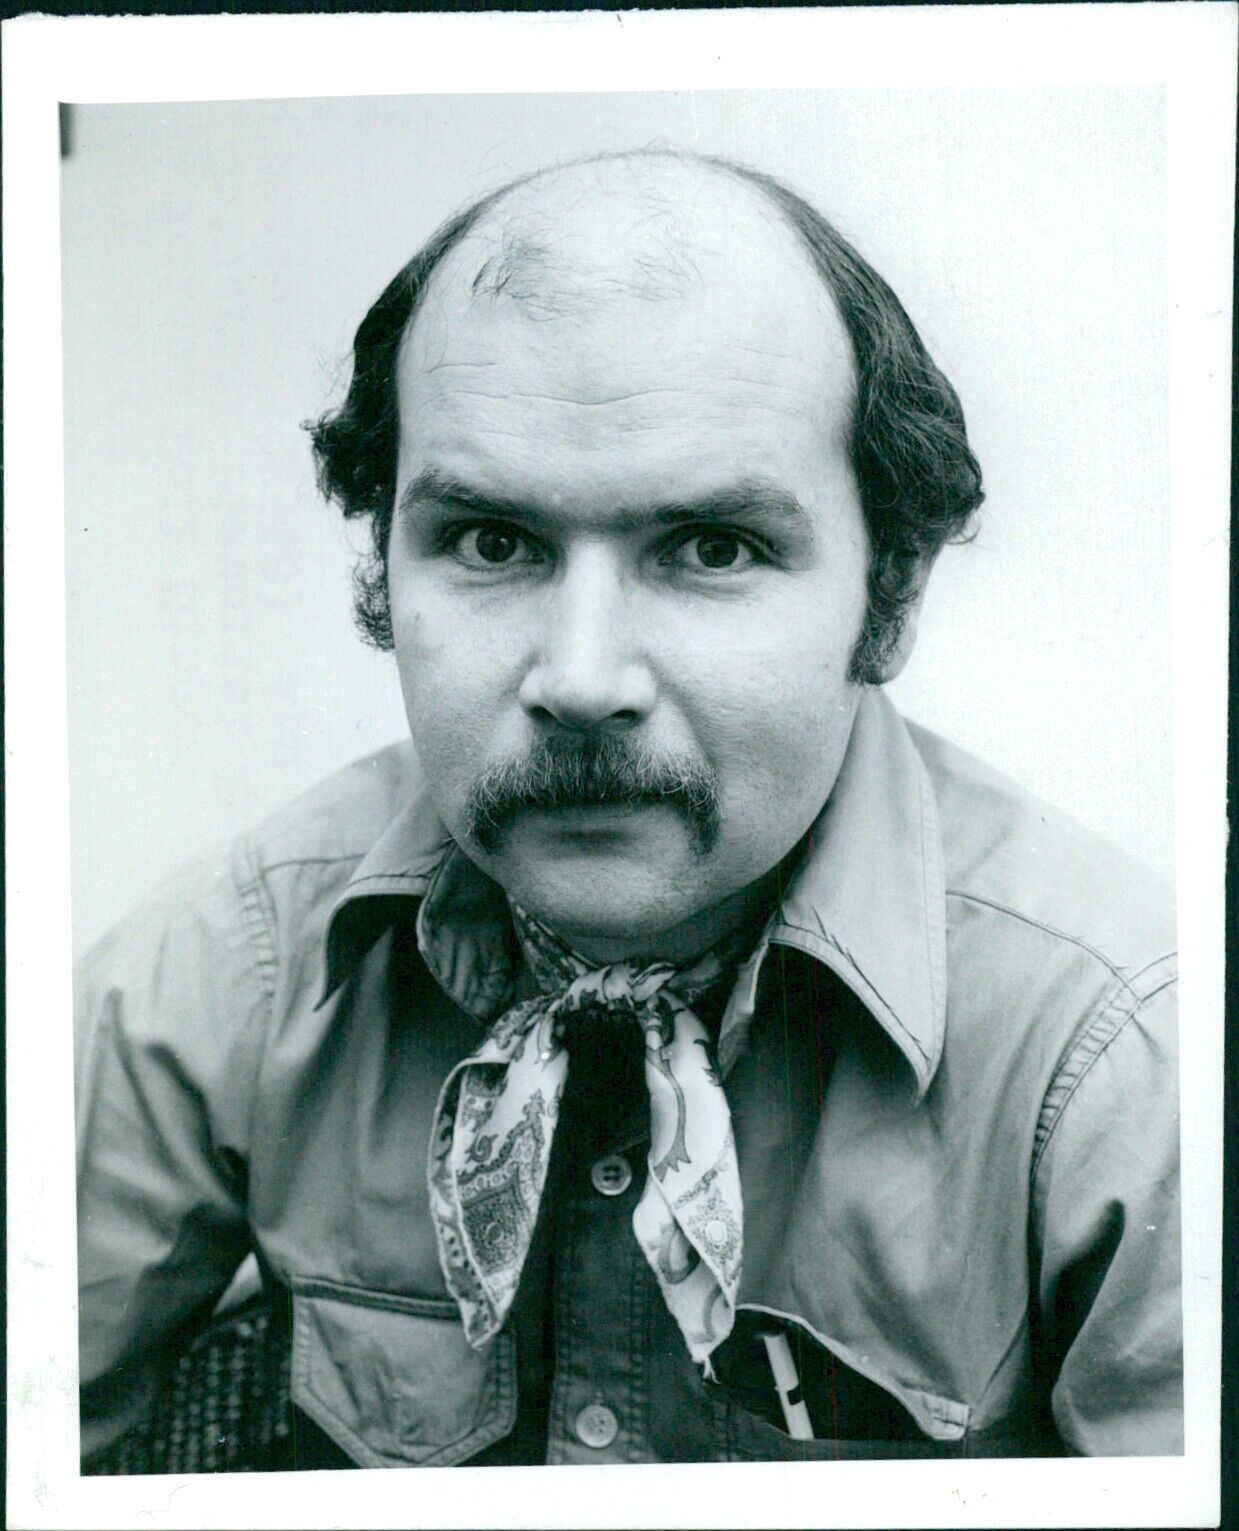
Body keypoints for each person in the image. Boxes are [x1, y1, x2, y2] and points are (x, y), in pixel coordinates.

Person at [75, 149, 1181, 1467]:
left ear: (890, 592)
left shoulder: (1126, 1062)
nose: (583, 680)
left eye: (711, 548)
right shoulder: (225, 976)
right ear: (383, 565)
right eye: (491, 542)